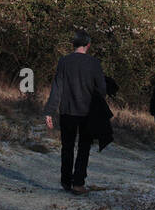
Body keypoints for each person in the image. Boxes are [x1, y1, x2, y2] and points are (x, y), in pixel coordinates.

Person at [44, 30, 109, 195]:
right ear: (88, 45)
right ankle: (78, 183)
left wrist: (49, 111)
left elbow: (57, 88)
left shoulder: (64, 61)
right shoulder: (94, 63)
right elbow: (102, 90)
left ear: (73, 44)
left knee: (67, 147)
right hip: (87, 113)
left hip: (67, 111)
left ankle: (66, 181)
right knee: (84, 148)